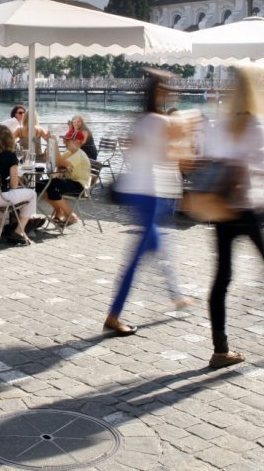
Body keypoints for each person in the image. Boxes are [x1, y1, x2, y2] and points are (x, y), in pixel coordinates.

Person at [202, 67, 264, 369]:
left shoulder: (221, 125)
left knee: (221, 278)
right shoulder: (255, 125)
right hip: (247, 206)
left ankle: (220, 348)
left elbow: (210, 158)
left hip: (221, 209)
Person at [105, 70, 191, 336]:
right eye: (170, 87)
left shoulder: (141, 119)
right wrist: (183, 139)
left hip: (135, 189)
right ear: (161, 92)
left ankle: (176, 295)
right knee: (137, 257)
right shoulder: (162, 121)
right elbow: (174, 158)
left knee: (157, 244)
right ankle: (114, 314)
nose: (174, 91)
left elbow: (132, 148)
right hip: (149, 193)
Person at [0, 125, 42, 245]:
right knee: (31, 194)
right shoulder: (10, 156)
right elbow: (14, 184)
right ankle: (19, 231)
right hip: (0, 198)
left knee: (4, 191)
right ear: (9, 139)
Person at [36, 133, 91, 226]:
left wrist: (55, 144)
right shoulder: (70, 152)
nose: (64, 142)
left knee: (54, 190)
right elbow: (57, 161)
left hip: (79, 185)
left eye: (67, 140)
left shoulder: (79, 154)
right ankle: (59, 211)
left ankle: (71, 216)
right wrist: (49, 144)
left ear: (77, 142)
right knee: (39, 185)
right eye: (64, 139)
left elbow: (58, 161)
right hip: (71, 181)